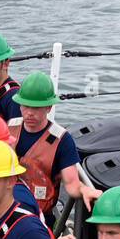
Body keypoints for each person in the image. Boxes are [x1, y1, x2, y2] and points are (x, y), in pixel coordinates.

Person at [7, 71, 102, 217]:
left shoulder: (62, 140)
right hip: (7, 209)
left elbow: (71, 183)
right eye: (26, 106)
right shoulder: (8, 129)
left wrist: (84, 189)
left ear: (49, 108)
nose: (29, 113)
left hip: (40, 215)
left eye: (36, 107)